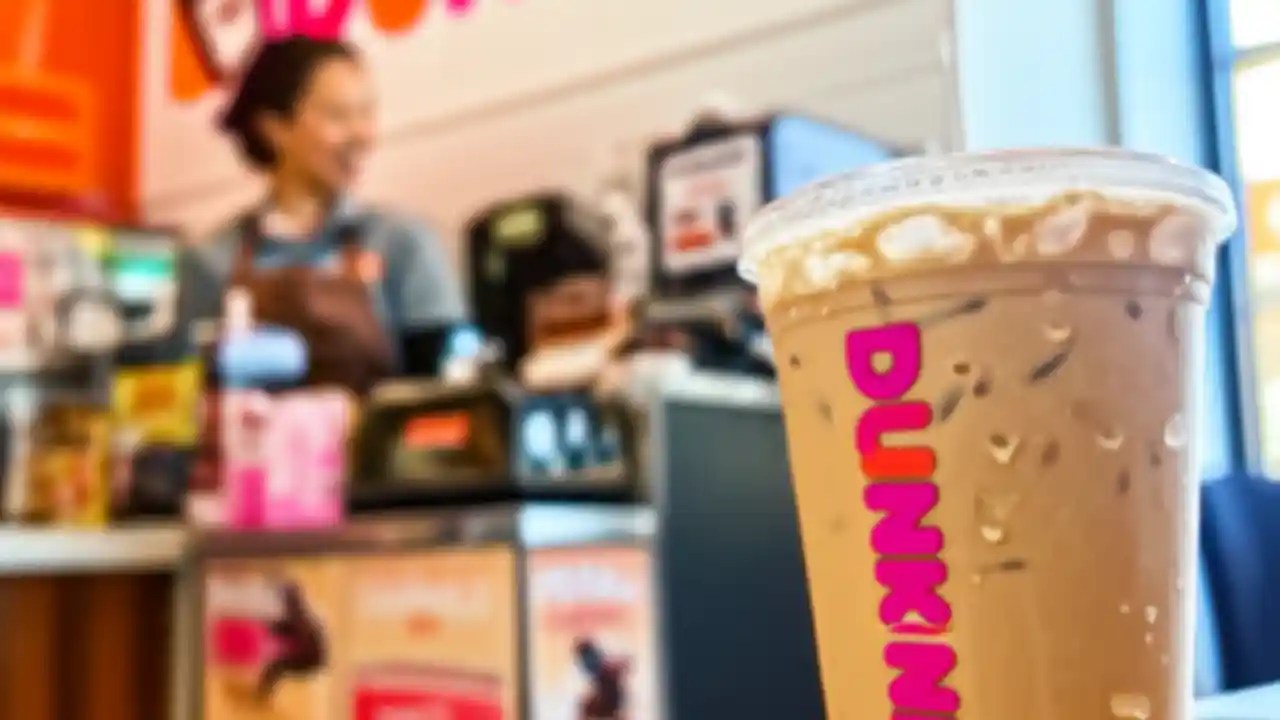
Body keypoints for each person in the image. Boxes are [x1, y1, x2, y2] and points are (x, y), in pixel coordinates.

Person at [177, 37, 467, 391]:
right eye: (338, 115)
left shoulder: (402, 243)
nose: (362, 135)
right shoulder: (211, 262)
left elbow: (447, 394)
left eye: (366, 113)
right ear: (275, 129)